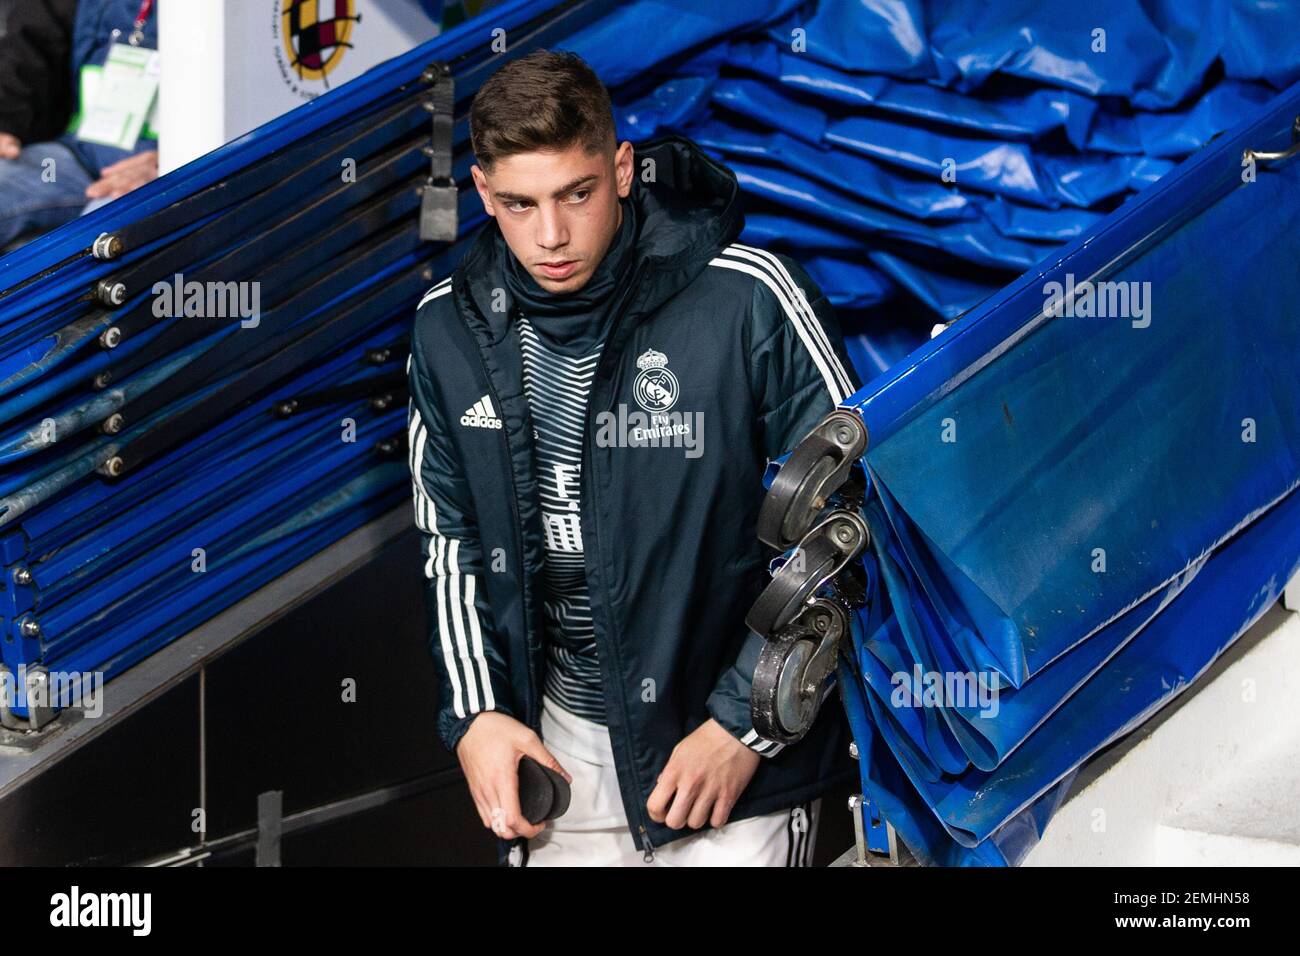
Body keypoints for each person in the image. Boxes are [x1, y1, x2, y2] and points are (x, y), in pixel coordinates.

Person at [406, 49, 860, 866]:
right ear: (482, 194)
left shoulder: (747, 296)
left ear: (620, 170)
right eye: (518, 203)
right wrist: (477, 715)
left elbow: (849, 521)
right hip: (556, 760)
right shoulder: (447, 329)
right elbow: (450, 542)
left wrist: (749, 722)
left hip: (725, 755)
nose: (550, 235)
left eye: (575, 194)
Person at [0, 0, 159, 249]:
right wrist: (5, 120)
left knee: (103, 239)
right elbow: (33, 40)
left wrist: (176, 160)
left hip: (167, 167)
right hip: (79, 152)